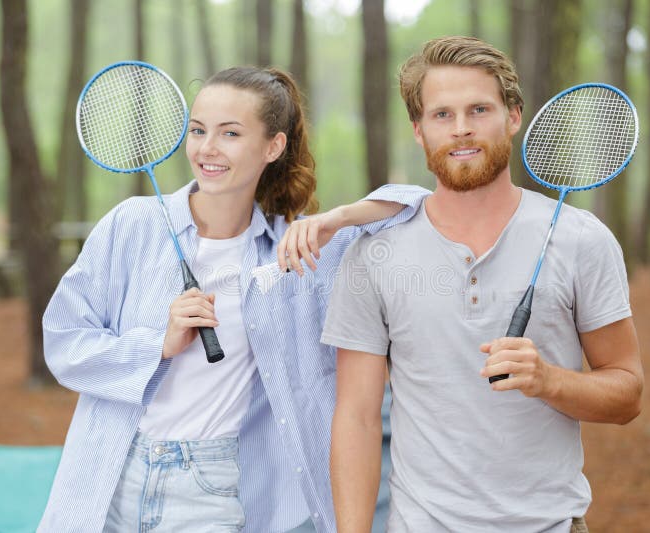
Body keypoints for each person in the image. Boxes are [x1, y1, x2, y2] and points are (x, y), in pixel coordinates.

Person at [38, 66, 428, 533]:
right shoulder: (132, 225)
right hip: (109, 472)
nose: (207, 148)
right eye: (199, 130)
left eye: (230, 133)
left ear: (273, 147)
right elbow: (63, 343)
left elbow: (418, 204)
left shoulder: (298, 252)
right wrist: (157, 344)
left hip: (211, 486)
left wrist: (337, 219)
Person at [322, 36, 644, 533]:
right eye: (442, 115)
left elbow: (627, 394)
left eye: (479, 109)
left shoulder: (582, 239)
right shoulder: (374, 253)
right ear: (418, 130)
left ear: (513, 116)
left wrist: (549, 380)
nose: (462, 129)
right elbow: (358, 419)